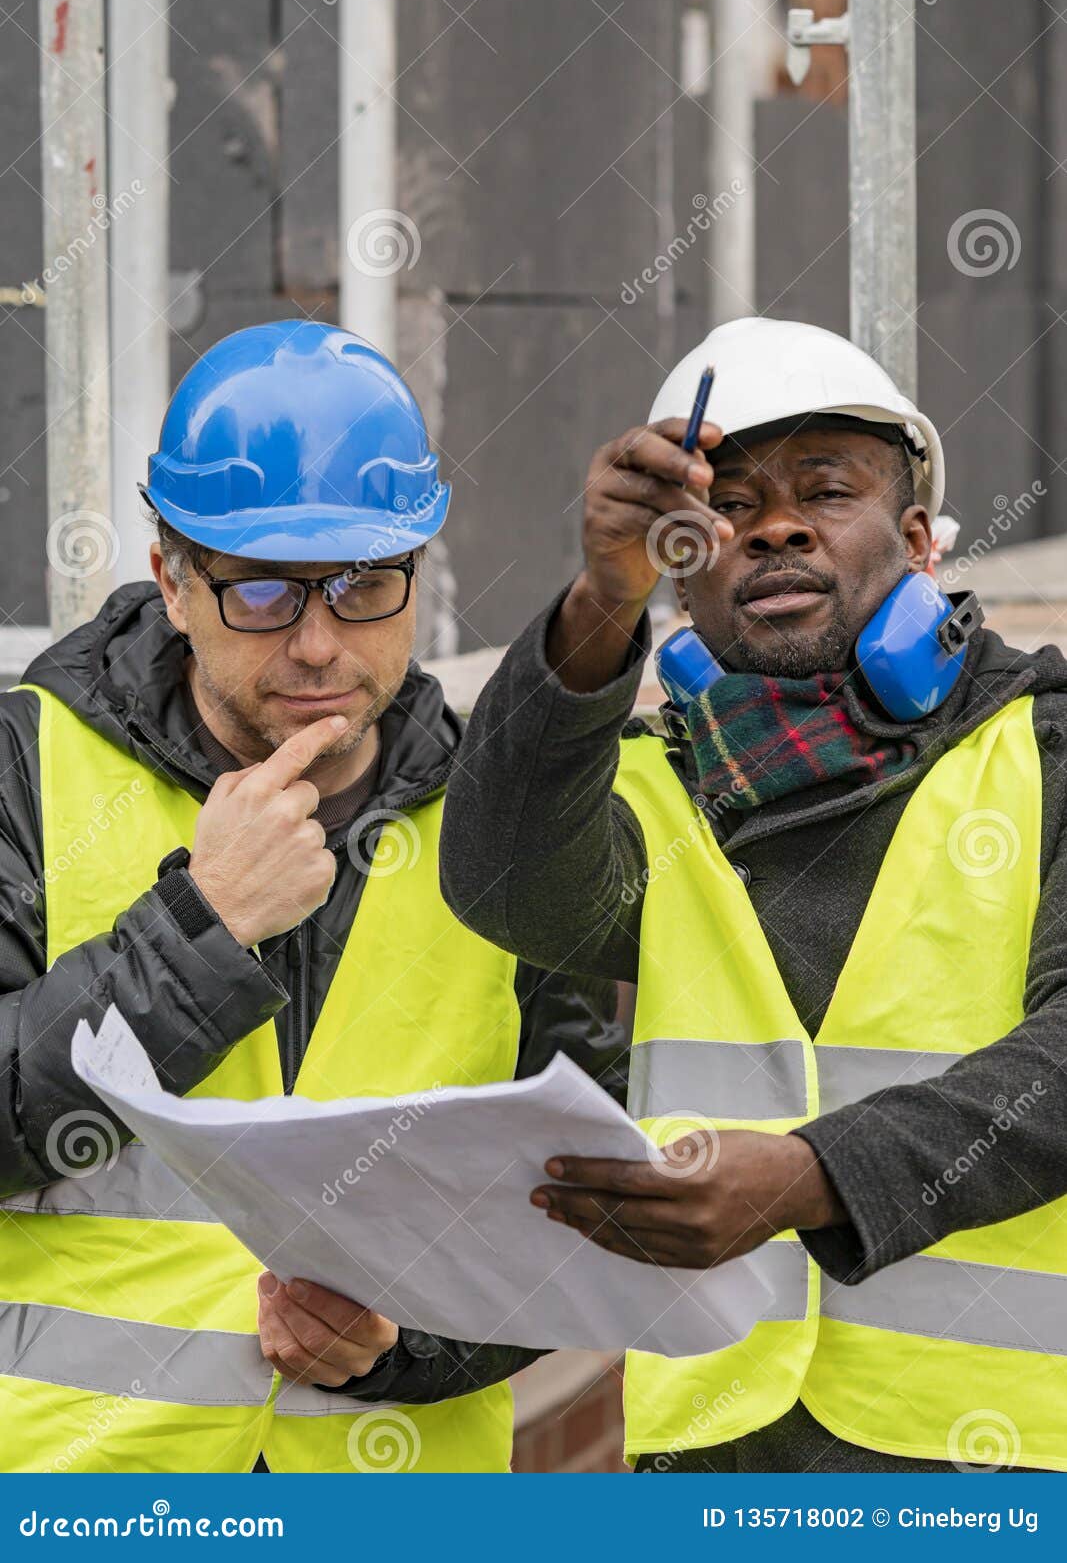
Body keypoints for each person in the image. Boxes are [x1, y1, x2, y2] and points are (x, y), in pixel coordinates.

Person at [440, 316, 1067, 1474]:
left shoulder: (1045, 748)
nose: (772, 525)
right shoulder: (654, 783)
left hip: (1003, 1464)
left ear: (919, 540)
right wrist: (598, 601)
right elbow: (500, 882)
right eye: (723, 507)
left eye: (825, 490)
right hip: (713, 1458)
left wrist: (813, 1176)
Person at [0, 319, 624, 1474]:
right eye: (266, 596)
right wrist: (199, 929)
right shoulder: (29, 770)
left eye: (363, 587)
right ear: (172, 584)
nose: (321, 646)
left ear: (419, 577)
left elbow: (588, 1197)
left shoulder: (509, 816)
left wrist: (406, 1346)